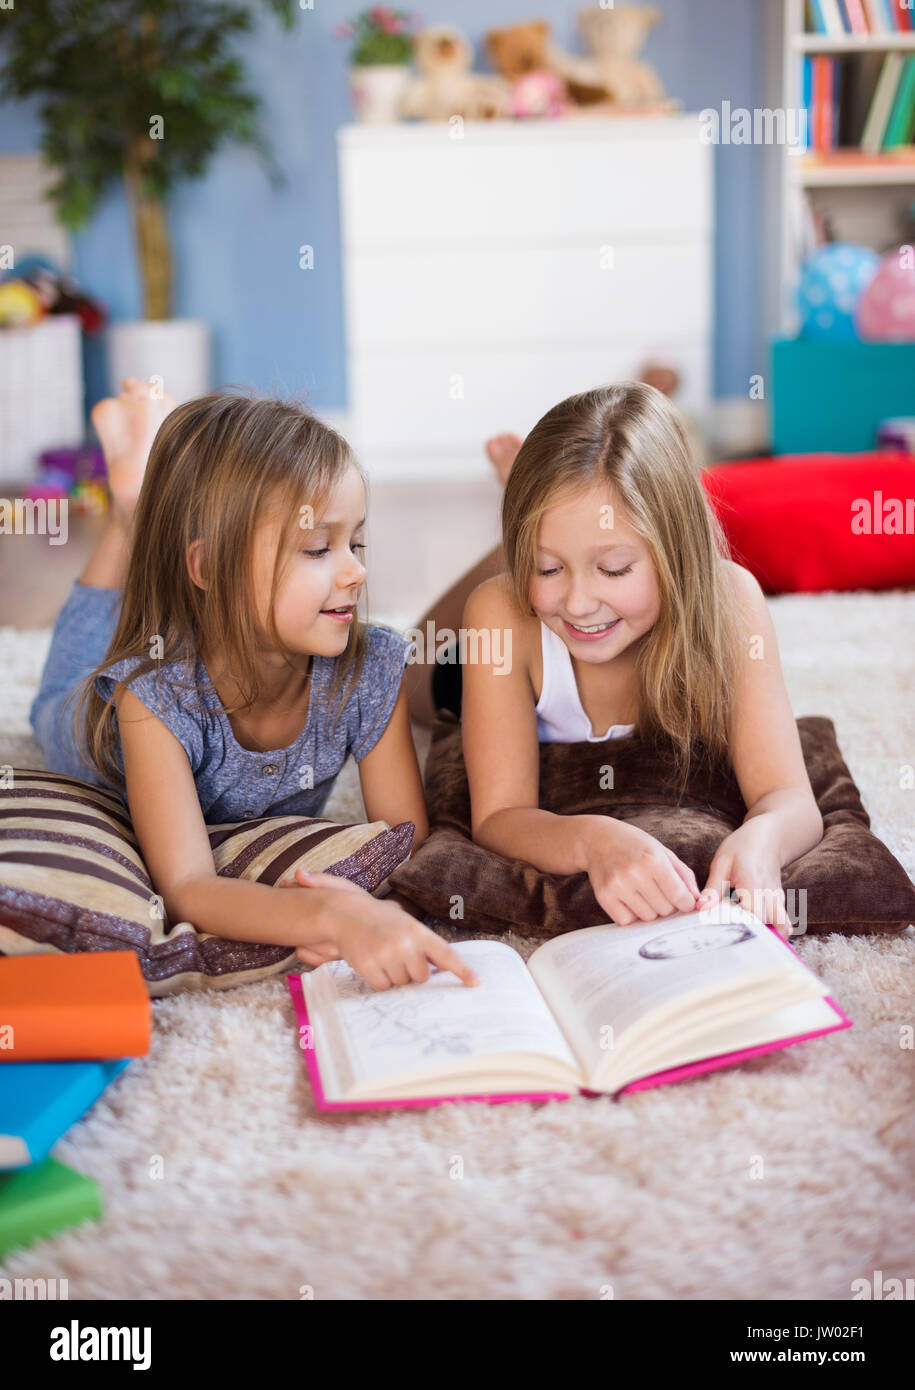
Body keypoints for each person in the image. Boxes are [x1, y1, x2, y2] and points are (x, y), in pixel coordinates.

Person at [30, 379, 479, 992]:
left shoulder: (372, 669)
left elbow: (403, 841)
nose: (357, 570)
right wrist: (327, 912)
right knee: (66, 680)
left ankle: (140, 503)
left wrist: (385, 912)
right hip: (85, 735)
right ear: (210, 566)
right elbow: (187, 887)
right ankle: (128, 513)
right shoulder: (152, 698)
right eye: (319, 547)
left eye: (356, 541)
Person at [412, 382, 823, 938]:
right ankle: (515, 536)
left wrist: (763, 837)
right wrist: (594, 839)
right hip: (489, 660)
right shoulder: (502, 613)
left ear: (677, 551)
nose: (579, 602)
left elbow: (790, 797)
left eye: (613, 569)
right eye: (549, 568)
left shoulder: (732, 603)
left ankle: (547, 529)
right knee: (410, 671)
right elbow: (498, 817)